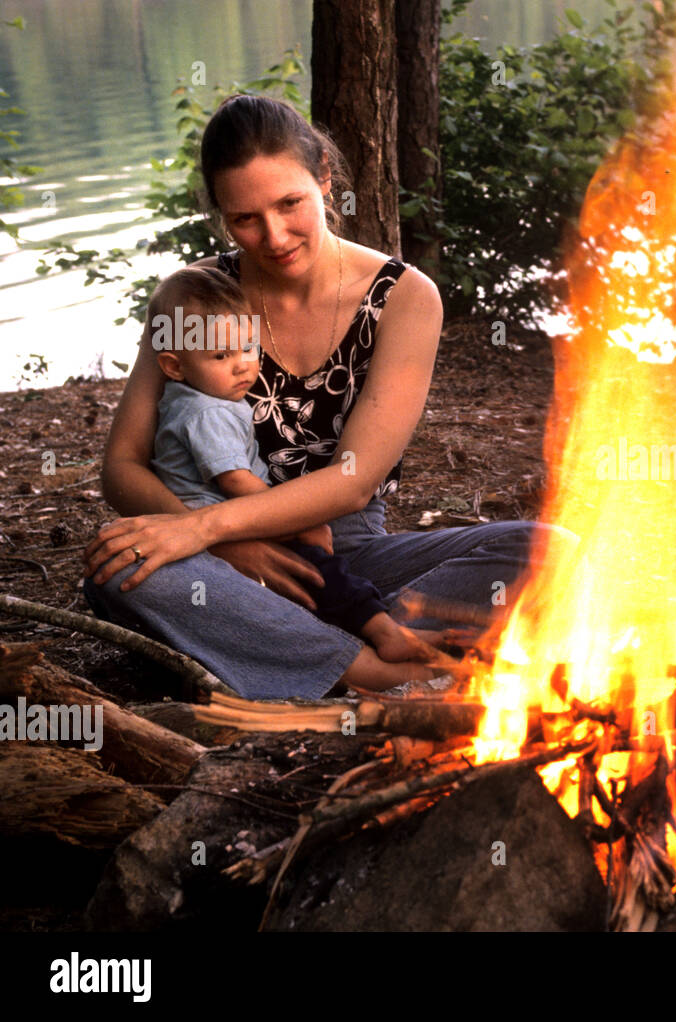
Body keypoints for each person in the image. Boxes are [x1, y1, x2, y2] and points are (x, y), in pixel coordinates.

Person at [84, 94, 559, 699]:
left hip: (347, 550)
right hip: (213, 558)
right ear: (222, 217)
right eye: (245, 219)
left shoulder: (403, 297)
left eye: (290, 204)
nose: (274, 236)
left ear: (325, 180)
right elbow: (121, 466)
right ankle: (360, 662)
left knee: (551, 552)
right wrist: (226, 545)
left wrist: (210, 530)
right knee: (120, 570)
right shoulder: (194, 296)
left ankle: (287, 638)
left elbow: (354, 482)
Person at [144, 265, 444, 684]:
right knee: (319, 571)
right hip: (225, 528)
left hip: (233, 524)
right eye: (220, 356)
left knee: (540, 547)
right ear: (174, 366)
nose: (241, 367)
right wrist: (299, 522)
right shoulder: (207, 412)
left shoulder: (196, 396)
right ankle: (380, 638)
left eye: (248, 347)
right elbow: (233, 481)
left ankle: (340, 629)